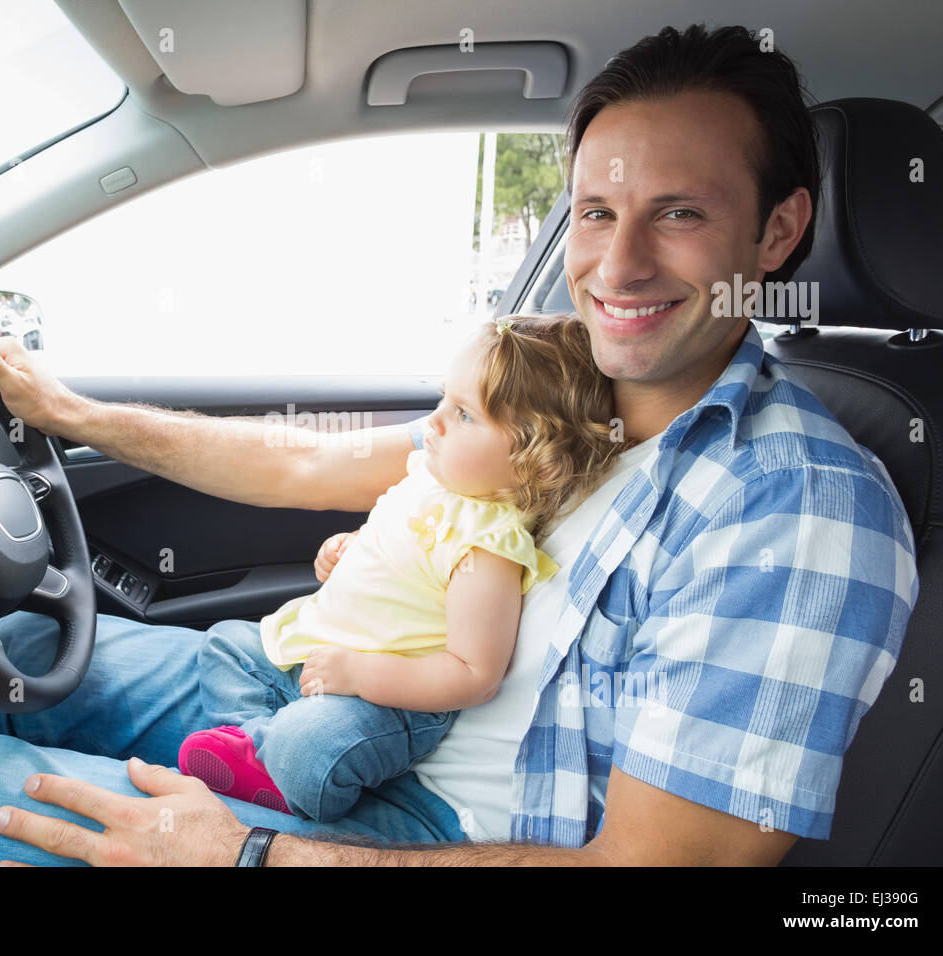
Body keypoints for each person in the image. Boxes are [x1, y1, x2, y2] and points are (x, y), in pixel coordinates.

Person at [0, 23, 917, 866]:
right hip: (296, 682)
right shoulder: (574, 393)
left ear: (778, 231)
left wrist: (244, 851)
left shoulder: (798, 504)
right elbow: (303, 465)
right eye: (596, 212)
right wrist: (72, 416)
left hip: (422, 813)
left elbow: (662, 868)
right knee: (22, 651)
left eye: (681, 213)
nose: (617, 264)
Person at [179, 315, 625, 823]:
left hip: (390, 699)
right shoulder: (429, 478)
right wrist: (346, 546)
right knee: (225, 644)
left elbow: (473, 675)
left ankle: (279, 765)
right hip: (317, 653)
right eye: (443, 400)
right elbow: (393, 547)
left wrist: (358, 674)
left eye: (464, 415)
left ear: (534, 458)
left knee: (312, 746)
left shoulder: (487, 548)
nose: (433, 422)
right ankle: (256, 747)